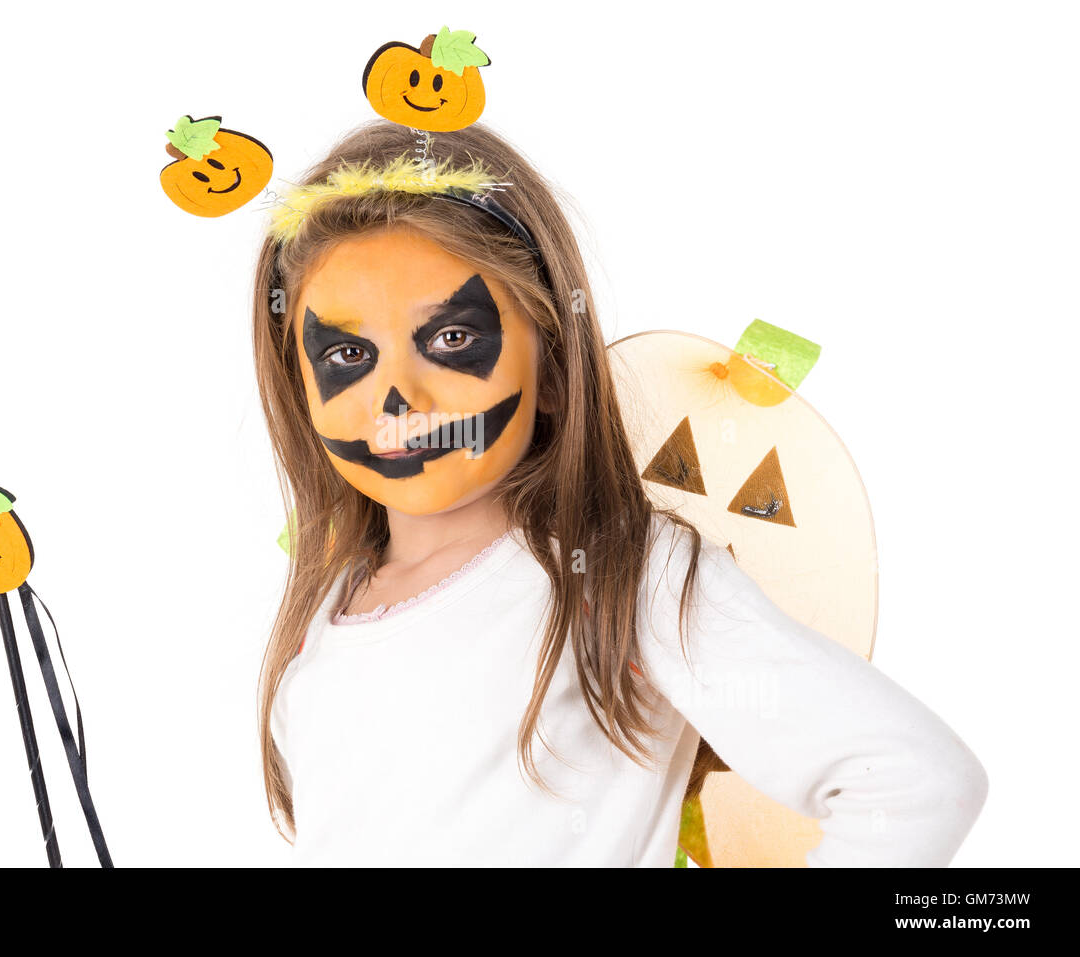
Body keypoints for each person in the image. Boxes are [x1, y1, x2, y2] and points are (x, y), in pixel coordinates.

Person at [249, 118, 988, 866]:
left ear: (554, 369)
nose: (398, 397)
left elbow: (914, 781)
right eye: (347, 353)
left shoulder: (622, 575)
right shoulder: (322, 610)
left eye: (450, 339)